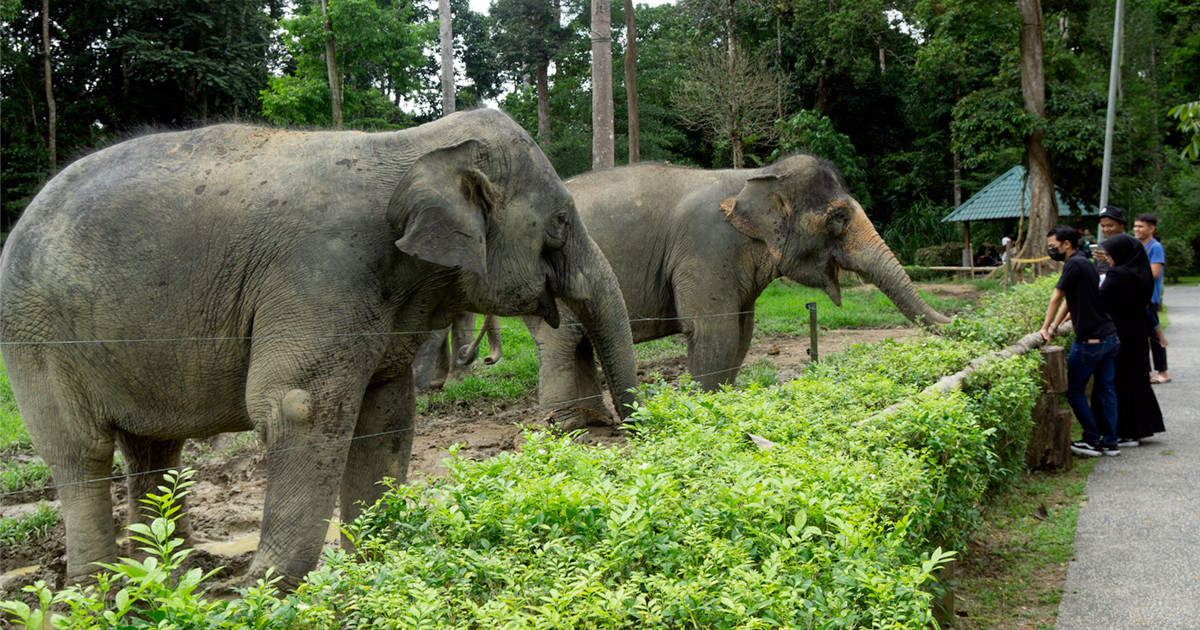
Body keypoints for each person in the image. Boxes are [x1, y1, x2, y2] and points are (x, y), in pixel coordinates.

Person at [1041, 225, 1121, 457]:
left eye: (1053, 247)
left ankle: (1091, 439)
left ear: (1067, 244)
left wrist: (1044, 328)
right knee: (1107, 390)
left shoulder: (1073, 264)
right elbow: (1070, 299)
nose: (1051, 251)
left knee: (1074, 390)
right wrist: (1055, 326)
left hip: (1090, 340)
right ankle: (1111, 442)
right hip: (1109, 336)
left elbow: (1057, 297)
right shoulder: (1084, 262)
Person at [1092, 233, 1165, 446]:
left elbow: (1099, 298)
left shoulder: (1118, 275)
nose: (1108, 258)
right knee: (1136, 380)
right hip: (1137, 334)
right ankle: (1136, 429)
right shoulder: (1140, 274)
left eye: (1110, 254)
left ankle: (1121, 431)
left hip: (1118, 333)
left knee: (1117, 381)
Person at [1133, 213, 1170, 384]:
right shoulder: (1136, 246)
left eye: (1141, 226)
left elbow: (1154, 273)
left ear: (1151, 228)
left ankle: (1163, 371)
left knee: (1154, 336)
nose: (1137, 229)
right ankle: (1147, 372)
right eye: (1135, 226)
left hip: (1149, 299)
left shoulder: (1155, 247)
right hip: (1137, 297)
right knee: (1140, 337)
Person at [1092, 206, 1127, 282]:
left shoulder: (1132, 244)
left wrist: (1109, 260)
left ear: (1121, 224)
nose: (1106, 230)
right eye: (1103, 226)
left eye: (1110, 226)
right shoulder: (1102, 244)